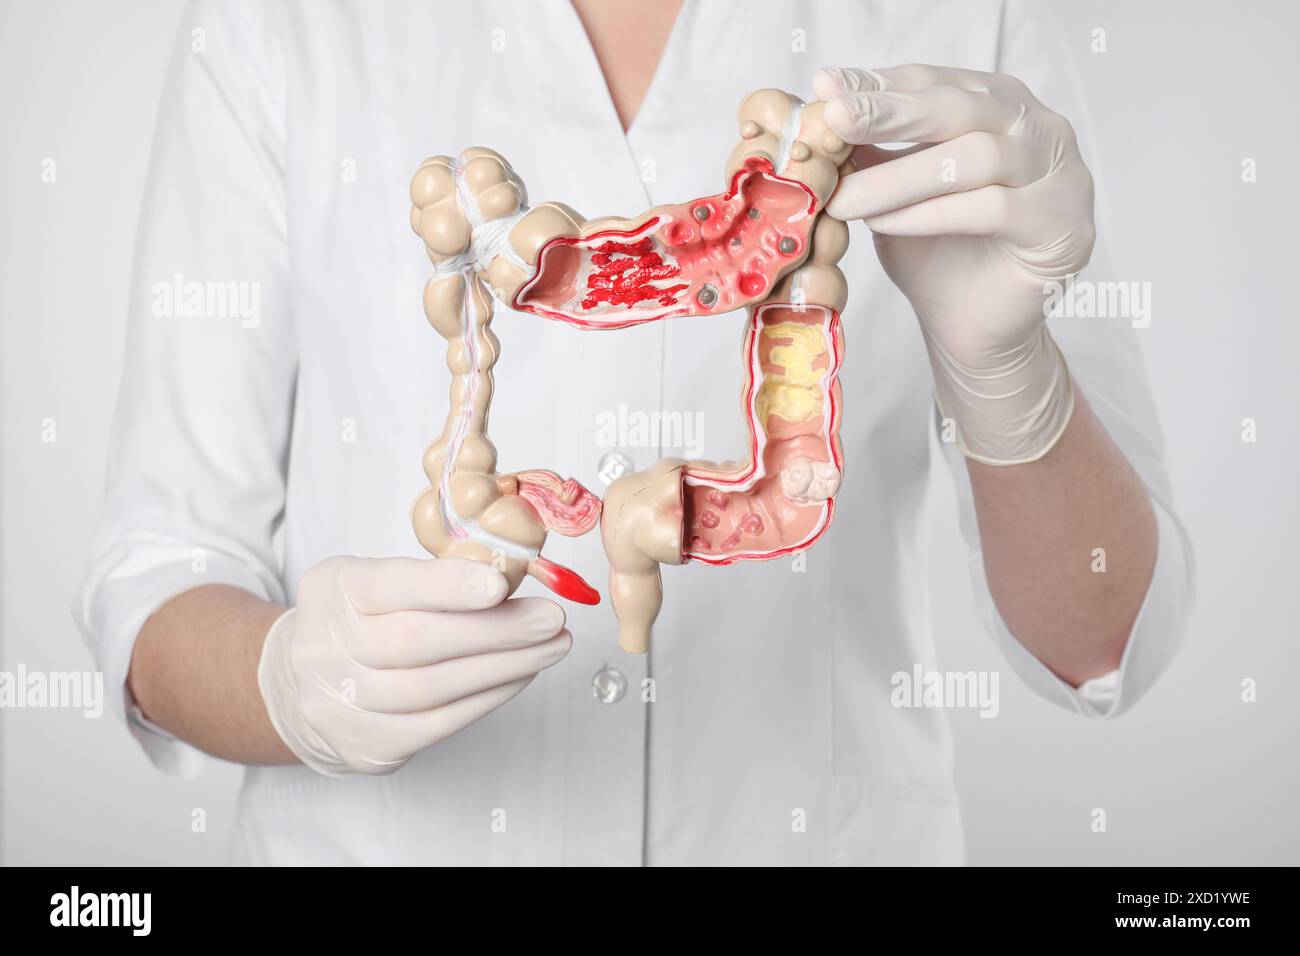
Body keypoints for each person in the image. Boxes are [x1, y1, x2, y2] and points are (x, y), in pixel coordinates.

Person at [76, 0, 1193, 865]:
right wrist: (286, 685)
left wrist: (1008, 374)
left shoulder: (959, 22)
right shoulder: (287, 22)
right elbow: (160, 569)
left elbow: (1104, 641)